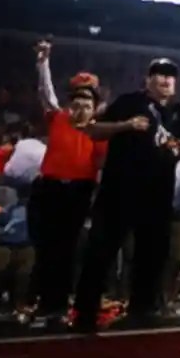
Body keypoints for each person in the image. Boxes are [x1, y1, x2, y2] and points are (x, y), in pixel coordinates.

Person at [71, 58, 180, 332]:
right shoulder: (128, 102)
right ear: (148, 79)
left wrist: (177, 145)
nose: (165, 80)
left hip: (158, 195)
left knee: (151, 258)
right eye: (159, 75)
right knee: (101, 253)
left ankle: (142, 312)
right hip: (119, 191)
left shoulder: (179, 113)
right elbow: (93, 130)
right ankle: (84, 315)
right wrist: (125, 125)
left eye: (170, 76)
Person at [28, 40, 107, 328]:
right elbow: (45, 93)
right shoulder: (58, 119)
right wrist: (43, 62)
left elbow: (100, 168)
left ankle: (58, 307)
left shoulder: (99, 132)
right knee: (45, 249)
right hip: (49, 189)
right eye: (76, 102)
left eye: (87, 103)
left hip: (78, 192)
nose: (81, 107)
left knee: (67, 251)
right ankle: (43, 305)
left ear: (95, 107)